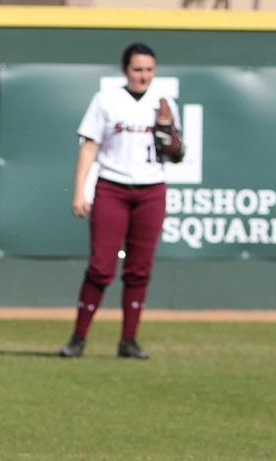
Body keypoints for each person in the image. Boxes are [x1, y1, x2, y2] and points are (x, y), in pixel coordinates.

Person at [59, 43, 184, 360]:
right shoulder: (107, 100)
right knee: (101, 267)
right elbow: (89, 147)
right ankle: (78, 338)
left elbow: (178, 154)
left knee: (139, 269)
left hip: (151, 189)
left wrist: (171, 140)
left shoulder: (163, 102)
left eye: (149, 69)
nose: (143, 76)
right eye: (137, 69)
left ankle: (129, 340)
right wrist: (80, 190)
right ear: (125, 70)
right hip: (112, 187)